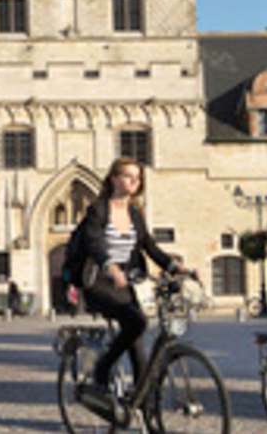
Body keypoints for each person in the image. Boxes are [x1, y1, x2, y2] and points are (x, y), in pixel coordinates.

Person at [64, 158, 190, 403]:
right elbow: (94, 243)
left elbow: (148, 246)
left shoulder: (134, 211)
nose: (135, 180)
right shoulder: (99, 210)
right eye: (128, 175)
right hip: (98, 280)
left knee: (136, 338)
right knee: (137, 322)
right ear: (114, 178)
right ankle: (102, 368)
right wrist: (109, 267)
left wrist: (176, 266)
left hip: (125, 281)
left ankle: (143, 401)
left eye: (138, 177)